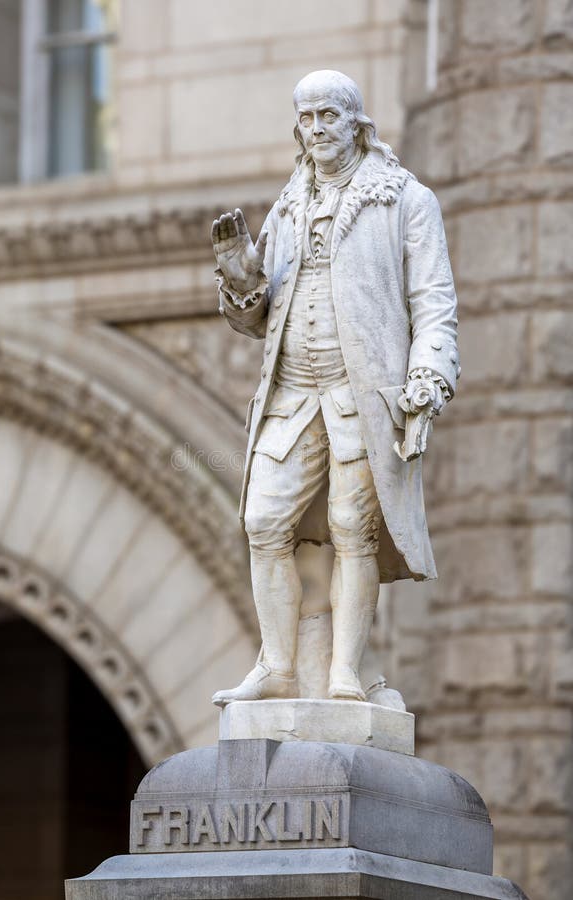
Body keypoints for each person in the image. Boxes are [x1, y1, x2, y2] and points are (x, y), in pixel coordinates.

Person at [211, 70, 459, 706]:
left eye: (329, 115)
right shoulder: (287, 205)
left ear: (356, 123)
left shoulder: (404, 199)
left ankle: (345, 672)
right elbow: (256, 316)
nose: (317, 128)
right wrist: (240, 277)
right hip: (292, 394)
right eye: (307, 117)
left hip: (362, 395)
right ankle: (278, 665)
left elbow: (434, 304)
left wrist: (429, 374)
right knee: (263, 520)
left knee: (354, 529)